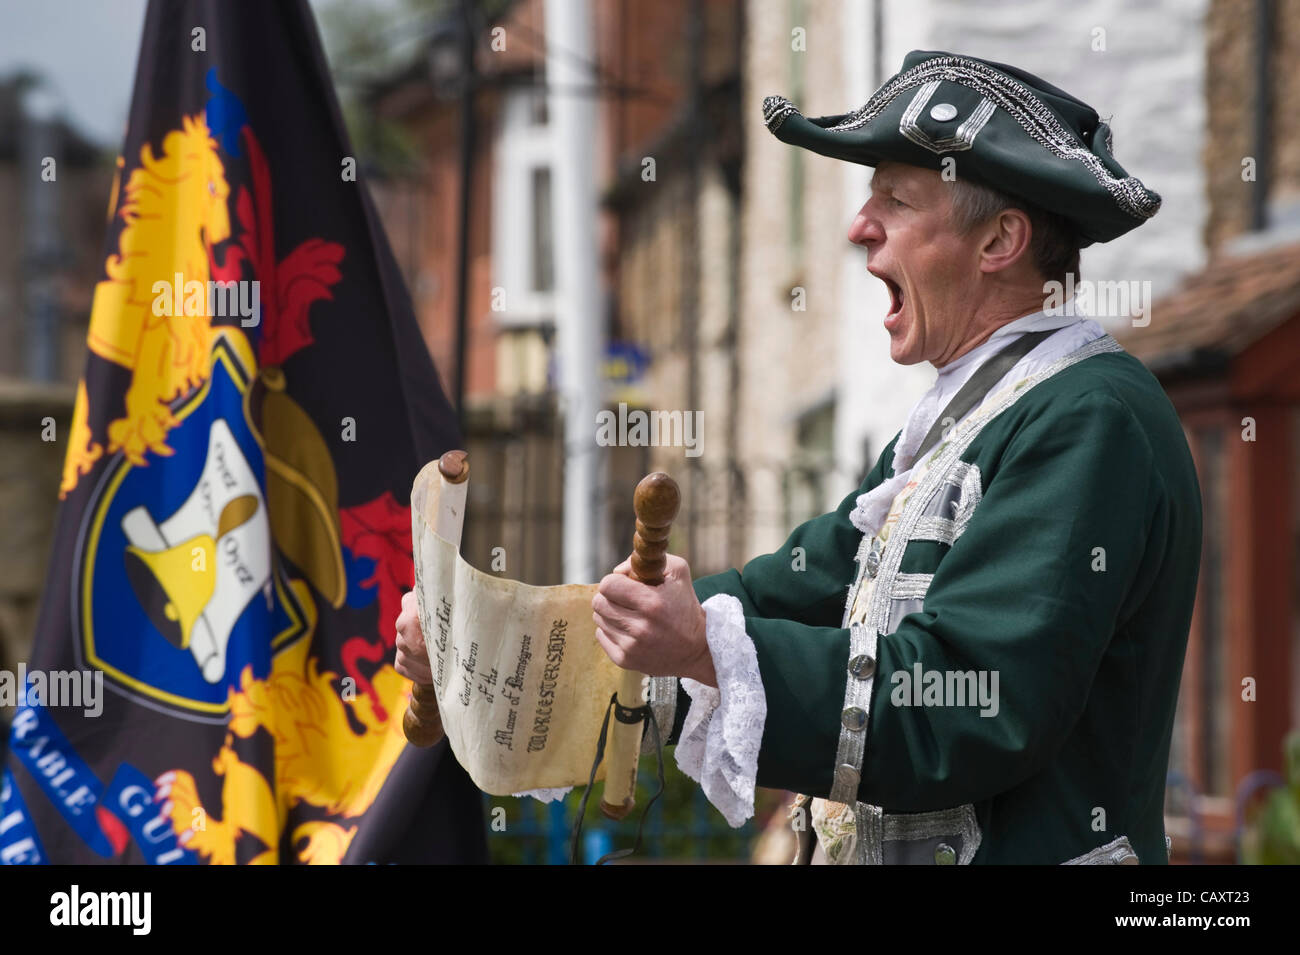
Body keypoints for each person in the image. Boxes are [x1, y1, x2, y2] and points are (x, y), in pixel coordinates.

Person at [398, 50, 1202, 865]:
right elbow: (791, 594)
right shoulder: (962, 422)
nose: (859, 225)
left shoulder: (1089, 417)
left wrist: (703, 647)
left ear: (999, 239)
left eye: (894, 197)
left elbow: (975, 701)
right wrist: (499, 641)